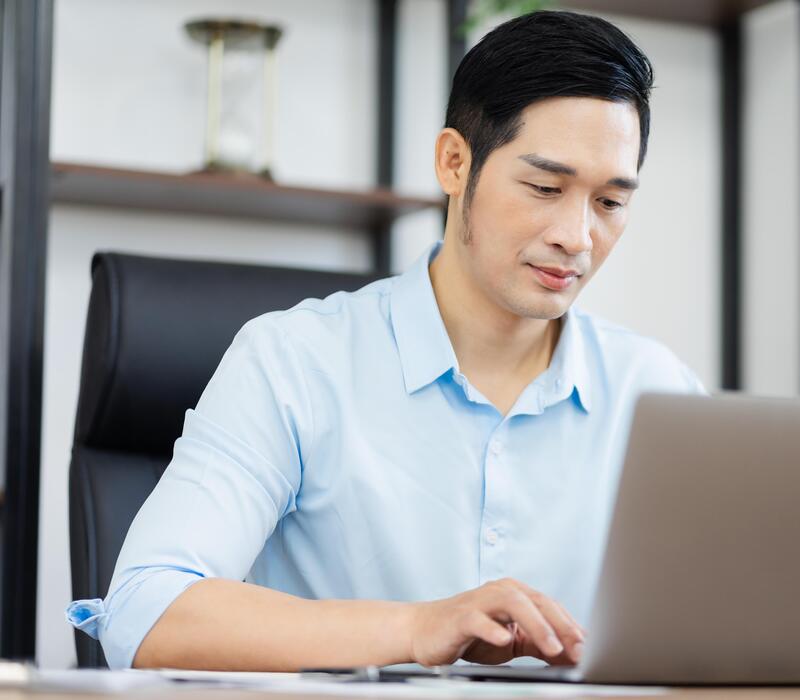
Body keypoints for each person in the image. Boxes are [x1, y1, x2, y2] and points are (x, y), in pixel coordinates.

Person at [67, 10, 705, 671]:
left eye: (609, 203)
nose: (577, 236)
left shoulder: (656, 390)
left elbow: (729, 619)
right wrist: (417, 627)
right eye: (545, 187)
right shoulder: (295, 362)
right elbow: (145, 613)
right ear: (454, 163)